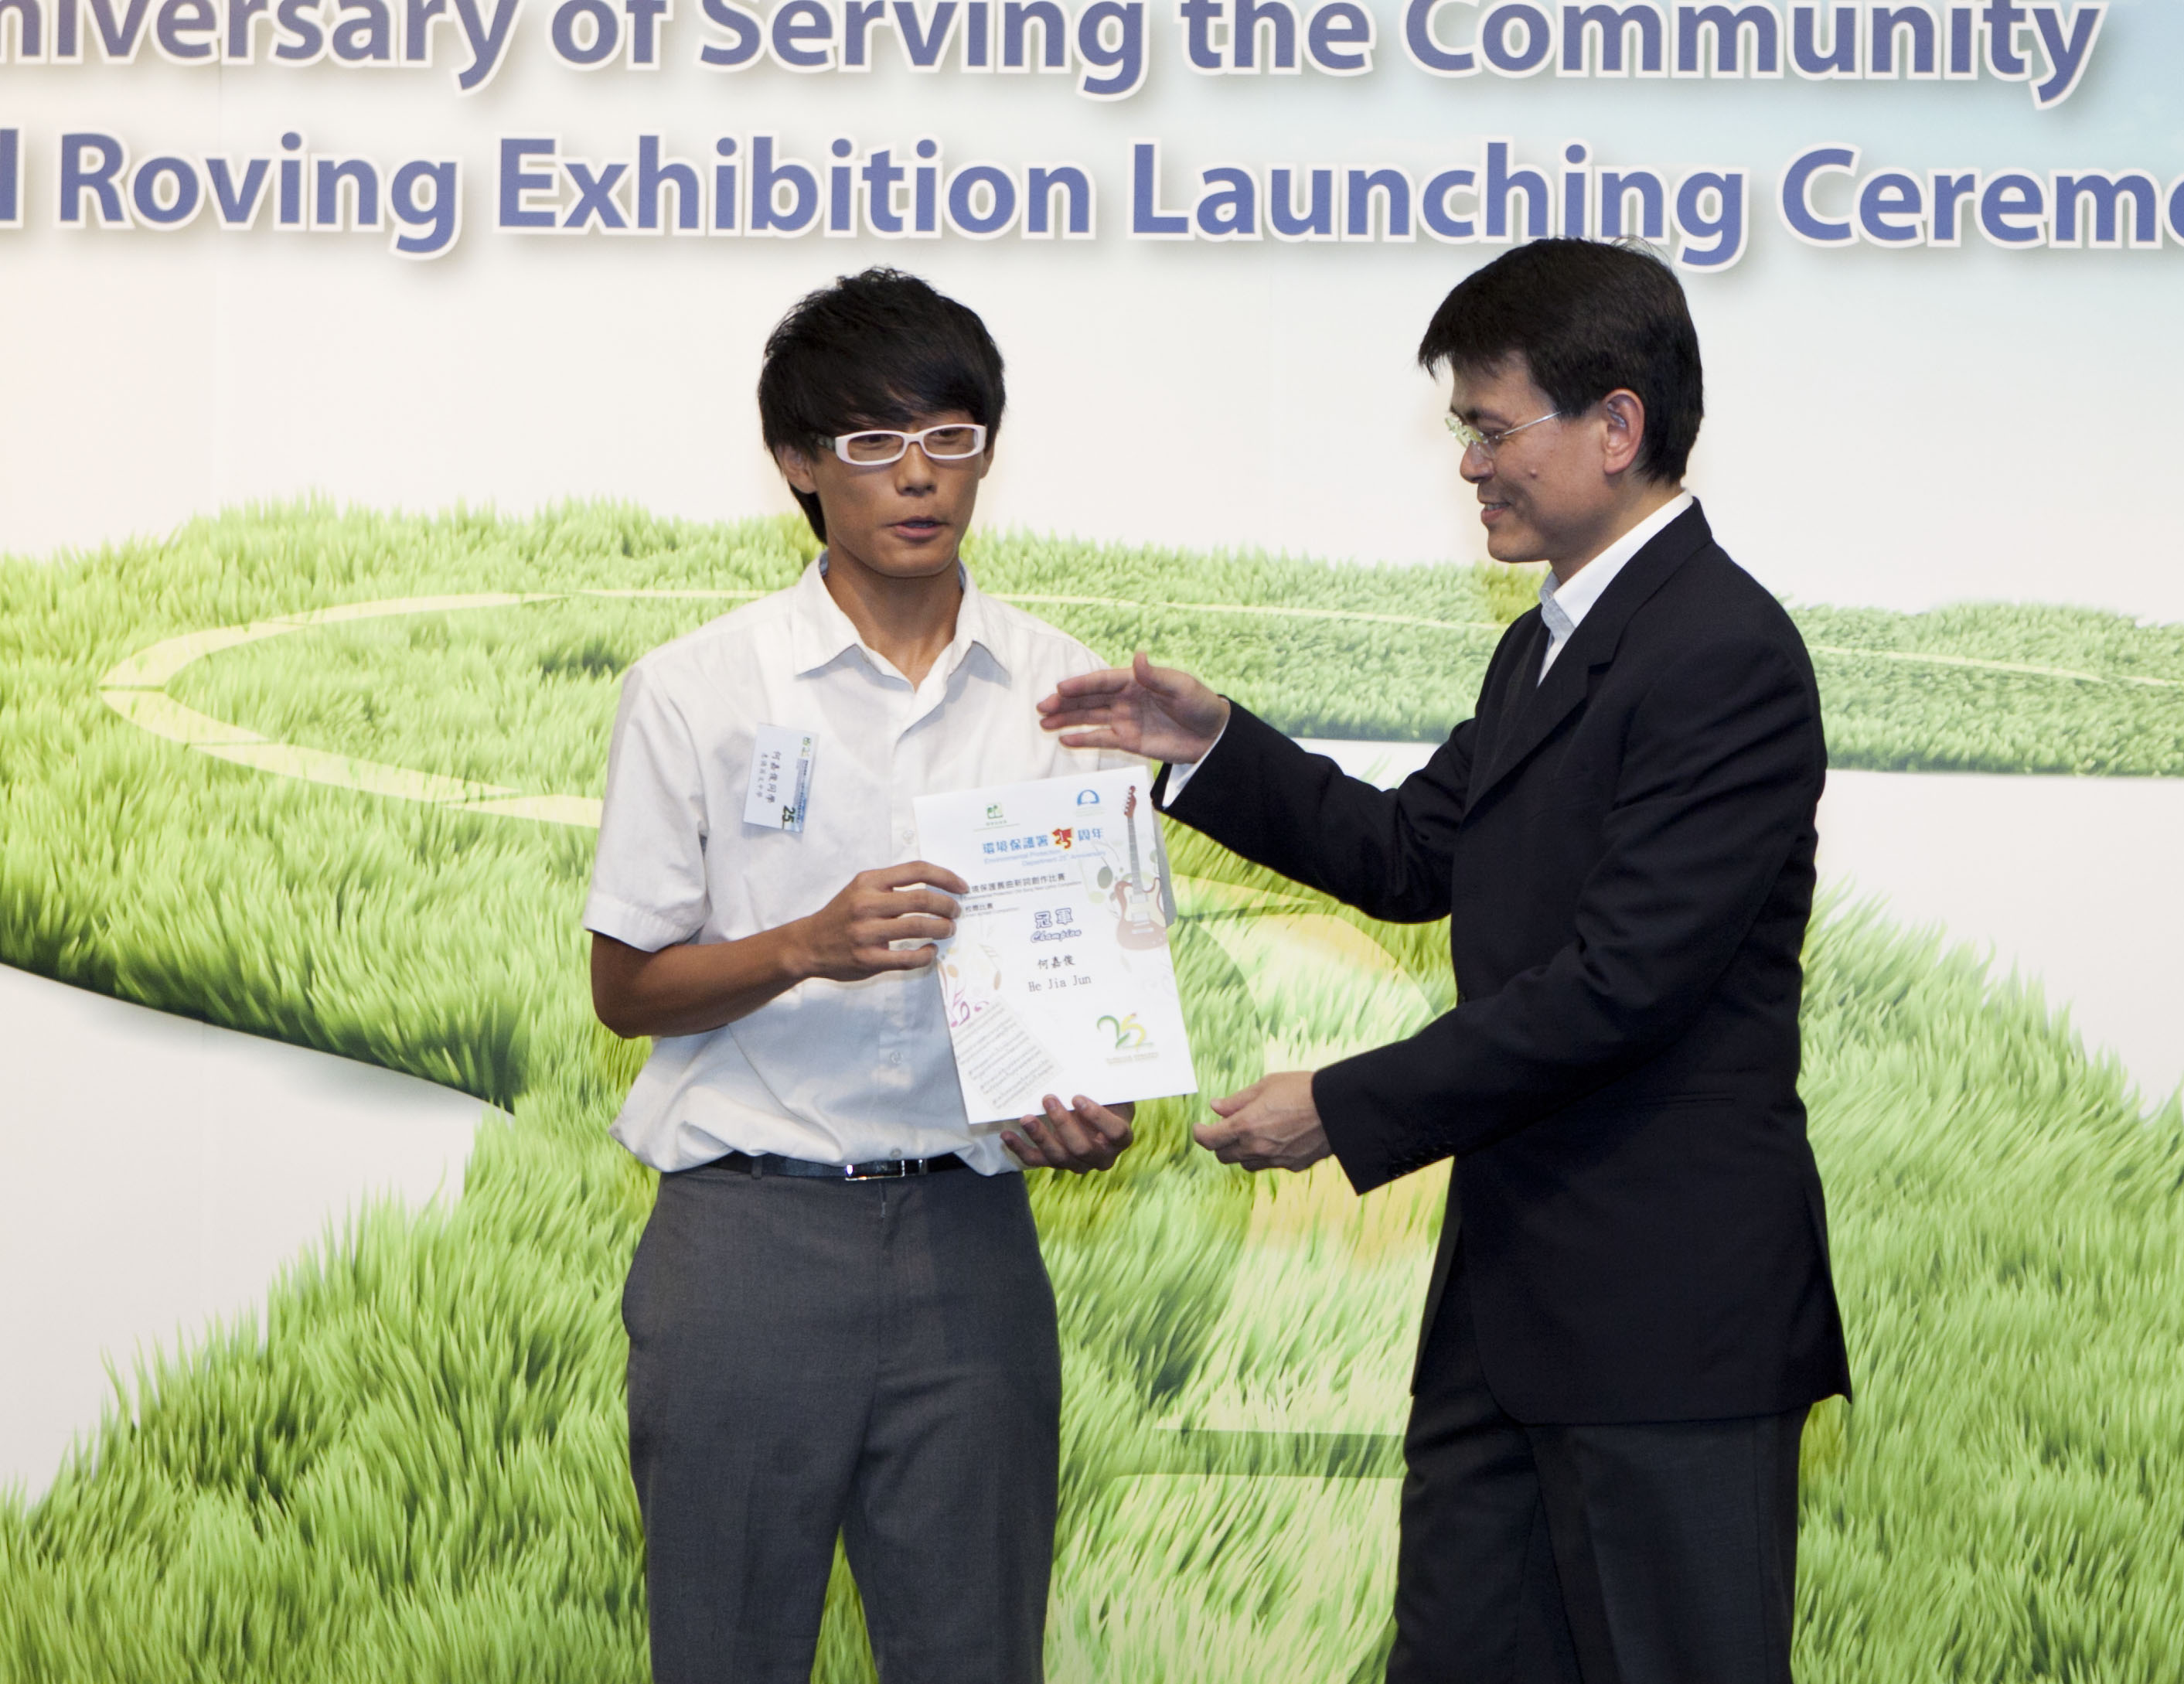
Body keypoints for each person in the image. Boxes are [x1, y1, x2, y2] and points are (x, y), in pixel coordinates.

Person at [1039, 239, 1850, 1684]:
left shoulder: (1723, 652)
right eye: (1465, 432)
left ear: (1618, 426)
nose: (1471, 466)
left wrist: (1342, 1106)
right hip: (1508, 1311)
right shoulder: (1543, 649)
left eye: (1491, 428)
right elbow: (1417, 853)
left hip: (1667, 1327)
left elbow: (1622, 984)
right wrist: (1215, 744)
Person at [584, 267, 1137, 1684]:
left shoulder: (1066, 693)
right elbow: (626, 986)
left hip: (973, 1248)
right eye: (876, 445)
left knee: (975, 1656)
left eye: (953, 440)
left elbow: (1102, 982)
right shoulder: (699, 689)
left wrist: (1095, 1110)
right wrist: (803, 947)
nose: (921, 479)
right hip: (747, 1242)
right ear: (800, 465)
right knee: (724, 1651)